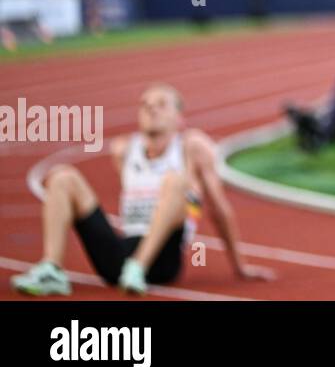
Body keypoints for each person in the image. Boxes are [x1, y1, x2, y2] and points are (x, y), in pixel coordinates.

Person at [11, 83, 273, 296]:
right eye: (145, 105)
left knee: (175, 181)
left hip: (164, 258)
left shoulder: (192, 147)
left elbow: (218, 209)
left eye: (161, 105)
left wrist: (240, 266)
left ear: (179, 118)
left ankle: (139, 266)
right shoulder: (124, 150)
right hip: (121, 255)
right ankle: (52, 269)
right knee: (62, 176)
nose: (151, 110)